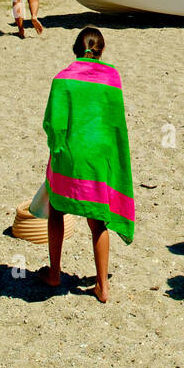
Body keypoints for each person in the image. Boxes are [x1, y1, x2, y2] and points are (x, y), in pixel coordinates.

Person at [37, 27, 134, 301]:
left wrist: (57, 149)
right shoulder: (112, 77)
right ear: (101, 50)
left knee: (56, 209)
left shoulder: (62, 78)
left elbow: (53, 123)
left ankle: (54, 273)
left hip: (70, 154)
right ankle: (102, 285)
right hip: (98, 156)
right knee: (98, 219)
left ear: (75, 49)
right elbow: (115, 123)